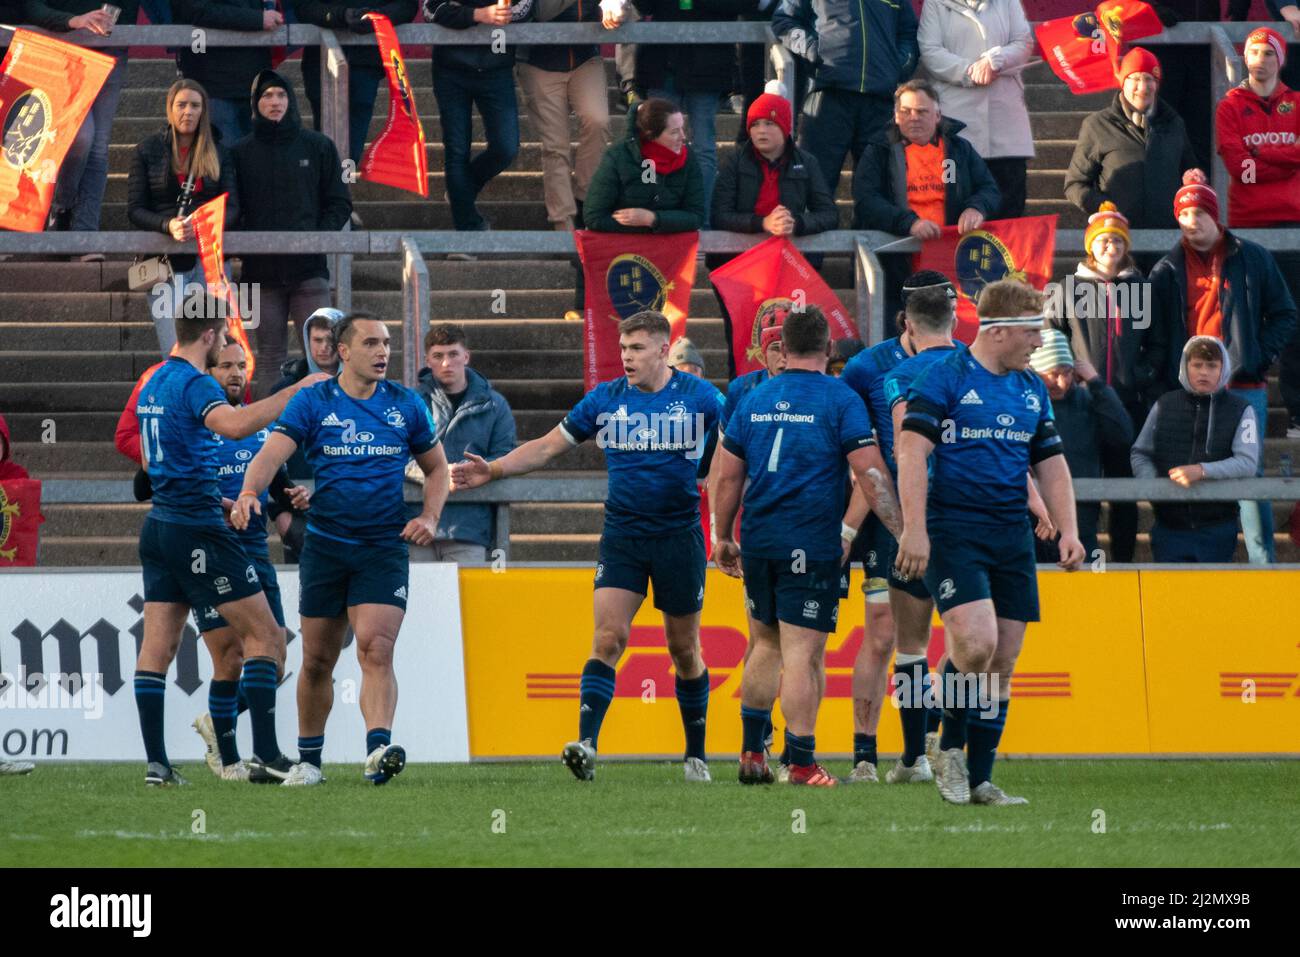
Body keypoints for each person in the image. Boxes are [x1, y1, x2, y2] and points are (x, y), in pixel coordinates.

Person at [450, 311, 725, 783]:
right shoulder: (605, 400)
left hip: (679, 537)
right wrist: (492, 470)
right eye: (622, 349)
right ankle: (587, 744)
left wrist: (724, 525)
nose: (626, 358)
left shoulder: (703, 398)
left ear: (663, 349)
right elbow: (546, 447)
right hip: (622, 535)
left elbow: (735, 452)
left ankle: (695, 754)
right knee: (607, 638)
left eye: (637, 349)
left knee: (683, 649)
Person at [233, 313, 449, 787]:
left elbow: (438, 469)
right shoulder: (313, 401)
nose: (382, 352)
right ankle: (310, 761)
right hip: (326, 547)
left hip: (382, 548)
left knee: (376, 648)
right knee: (316, 661)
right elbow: (271, 453)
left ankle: (377, 750)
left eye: (387, 343)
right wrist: (251, 491)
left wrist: (429, 517)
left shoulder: (406, 405)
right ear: (342, 351)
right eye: (371, 343)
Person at [895, 279, 1085, 806]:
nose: (1038, 341)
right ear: (998, 331)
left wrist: (1068, 529)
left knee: (1003, 659)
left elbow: (1051, 464)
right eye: (1032, 331)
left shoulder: (1030, 388)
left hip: (1011, 535)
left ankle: (980, 779)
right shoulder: (943, 378)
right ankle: (947, 749)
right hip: (954, 529)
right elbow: (910, 454)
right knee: (975, 644)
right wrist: (914, 529)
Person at [133, 296, 329, 787]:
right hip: (198, 531)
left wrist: (212, 498)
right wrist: (298, 389)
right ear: (209, 335)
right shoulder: (195, 383)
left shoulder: (155, 378)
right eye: (223, 335)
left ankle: (158, 766)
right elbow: (238, 424)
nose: (225, 342)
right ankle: (265, 754)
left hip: (160, 526)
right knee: (269, 637)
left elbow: (155, 462)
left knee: (158, 647)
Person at [711, 305, 880, 787]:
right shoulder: (841, 398)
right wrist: (850, 532)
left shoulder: (755, 396)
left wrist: (724, 536)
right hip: (813, 540)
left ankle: (751, 752)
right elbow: (867, 474)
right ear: (829, 349)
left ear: (782, 350)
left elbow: (726, 476)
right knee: (804, 654)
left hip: (759, 538)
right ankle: (801, 763)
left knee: (764, 644)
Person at [840, 273, 956, 784]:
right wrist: (849, 528)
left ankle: (934, 738)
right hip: (885, 516)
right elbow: (852, 451)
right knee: (885, 634)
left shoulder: (964, 361)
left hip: (949, 513)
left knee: (963, 636)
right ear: (904, 318)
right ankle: (866, 751)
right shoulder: (867, 367)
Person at [1148, 169, 1297, 563]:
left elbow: (1285, 314)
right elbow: (1157, 333)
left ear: (1216, 215)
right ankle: (1203, 561)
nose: (1191, 222)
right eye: (1183, 215)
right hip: (1188, 392)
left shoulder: (1253, 258)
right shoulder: (1166, 269)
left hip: (1243, 388)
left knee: (1247, 476)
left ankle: (1263, 565)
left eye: (1199, 213)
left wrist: (1255, 359)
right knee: (1190, 472)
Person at [189, 340, 311, 781]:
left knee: (274, 652)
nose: (236, 373)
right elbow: (149, 484)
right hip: (211, 550)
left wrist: (293, 495)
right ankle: (232, 758)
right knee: (229, 657)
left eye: (242, 366)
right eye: (226, 366)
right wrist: (217, 502)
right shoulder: (196, 422)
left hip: (255, 548)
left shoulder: (261, 425)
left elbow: (275, 483)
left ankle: (219, 727)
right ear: (208, 370)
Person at [230, 70, 353, 396]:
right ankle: (271, 430)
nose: (275, 102)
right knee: (269, 356)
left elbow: (339, 203)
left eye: (281, 95)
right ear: (256, 104)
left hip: (309, 271)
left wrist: (316, 239)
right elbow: (231, 208)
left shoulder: (318, 146)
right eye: (267, 96)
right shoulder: (239, 152)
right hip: (259, 274)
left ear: (291, 100)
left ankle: (327, 427)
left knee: (324, 356)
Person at [1045, 202, 1155, 563]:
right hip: (1081, 406)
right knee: (1082, 484)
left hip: (1127, 405)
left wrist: (1142, 377)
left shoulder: (1142, 287)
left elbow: (1160, 342)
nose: (1112, 247)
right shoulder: (1065, 288)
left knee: (1124, 489)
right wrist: (1069, 375)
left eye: (1119, 241)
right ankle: (1083, 554)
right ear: (1090, 245)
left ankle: (1122, 561)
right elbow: (1049, 338)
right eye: (1104, 240)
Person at [710, 89, 838, 376]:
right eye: (754, 124)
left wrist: (798, 224)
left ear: (784, 127)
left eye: (768, 123)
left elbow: (830, 213)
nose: (760, 131)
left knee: (791, 341)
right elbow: (719, 215)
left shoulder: (807, 162)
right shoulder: (733, 162)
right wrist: (762, 223)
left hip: (788, 268)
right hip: (740, 269)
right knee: (743, 343)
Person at [852, 79, 1000, 323]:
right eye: (906, 111)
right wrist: (908, 223)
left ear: (938, 115)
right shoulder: (878, 150)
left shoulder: (960, 149)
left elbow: (989, 189)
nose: (914, 118)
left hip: (950, 260)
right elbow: (866, 200)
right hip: (896, 263)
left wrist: (977, 207)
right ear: (896, 116)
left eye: (922, 111)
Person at [1215, 26, 1300, 438]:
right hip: (1248, 226)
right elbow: (1237, 166)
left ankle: (1298, 413)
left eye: (1269, 53)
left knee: (1295, 320)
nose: (1261, 59)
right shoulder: (1230, 105)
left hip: (1294, 225)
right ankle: (1245, 411)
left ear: (1280, 60)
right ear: (1244, 58)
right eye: (1254, 52)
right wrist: (1283, 162)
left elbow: (1252, 161)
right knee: (1248, 322)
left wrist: (1260, 153)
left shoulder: (1298, 103)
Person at [128, 79, 240, 358]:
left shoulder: (219, 151)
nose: (187, 111)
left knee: (214, 348)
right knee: (175, 350)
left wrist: (205, 226)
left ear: (204, 111)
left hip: (209, 259)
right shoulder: (148, 150)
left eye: (195, 105)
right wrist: (167, 225)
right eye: (181, 105)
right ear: (170, 109)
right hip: (164, 263)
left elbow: (235, 207)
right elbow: (135, 209)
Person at [1131, 336, 1260, 563]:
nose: (1204, 372)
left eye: (1212, 366)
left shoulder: (1241, 409)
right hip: (1168, 526)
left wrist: (1202, 470)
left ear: (1223, 368)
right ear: (1185, 366)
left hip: (1217, 527)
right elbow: (1140, 453)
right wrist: (1153, 484)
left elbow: (1247, 463)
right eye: (1197, 365)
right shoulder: (1164, 405)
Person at [773, 0, 919, 199]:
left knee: (878, 191)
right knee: (815, 187)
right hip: (828, 96)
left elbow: (908, 33)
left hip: (879, 101)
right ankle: (813, 231)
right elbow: (784, 20)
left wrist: (897, 67)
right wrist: (810, 49)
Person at [578, 98, 705, 319]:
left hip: (667, 262)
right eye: (674, 132)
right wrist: (636, 228)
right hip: (621, 263)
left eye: (682, 130)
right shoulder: (618, 157)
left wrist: (653, 219)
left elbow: (696, 215)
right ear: (651, 134)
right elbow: (593, 215)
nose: (683, 138)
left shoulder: (688, 160)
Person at [25, 0, 134, 257]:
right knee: (80, 137)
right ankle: (62, 207)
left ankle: (86, 232)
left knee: (98, 148)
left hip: (111, 52)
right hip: (62, 53)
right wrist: (72, 20)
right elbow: (32, 8)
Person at [407, 323, 516, 563]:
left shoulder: (495, 405)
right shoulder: (410, 403)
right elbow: (395, 455)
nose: (446, 363)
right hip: (416, 524)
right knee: (418, 601)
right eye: (438, 356)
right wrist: (436, 473)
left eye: (453, 354)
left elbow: (506, 456)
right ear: (427, 360)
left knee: (467, 601)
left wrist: (478, 469)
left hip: (469, 527)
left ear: (466, 356)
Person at [917, 0, 1035, 219]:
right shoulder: (935, 3)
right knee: (955, 208)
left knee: (1008, 208)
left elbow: (1023, 42)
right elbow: (930, 50)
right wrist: (969, 71)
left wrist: (994, 61)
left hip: (1005, 125)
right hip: (957, 123)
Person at [424, 0, 530, 238]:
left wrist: (463, 9)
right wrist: (478, 13)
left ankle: (461, 190)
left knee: (506, 147)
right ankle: (467, 228)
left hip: (497, 68)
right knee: (457, 150)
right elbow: (431, 10)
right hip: (450, 69)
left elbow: (523, 8)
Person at [1064, 48, 1199, 233]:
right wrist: (1105, 209)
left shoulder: (1174, 123)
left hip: (1168, 237)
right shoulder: (1097, 125)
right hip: (1117, 240)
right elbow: (1075, 184)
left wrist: (1195, 179)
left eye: (1149, 79)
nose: (1143, 87)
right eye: (1135, 79)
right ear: (1122, 82)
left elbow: (1189, 171)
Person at [1029, 329, 1134, 562]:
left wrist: (1097, 384)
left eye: (1067, 372)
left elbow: (1122, 435)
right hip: (1034, 521)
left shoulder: (1088, 400)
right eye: (1053, 374)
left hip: (1082, 517)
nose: (1062, 382)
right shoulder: (1023, 403)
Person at [517, 0, 617, 232]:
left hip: (585, 58)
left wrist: (618, 4)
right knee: (555, 146)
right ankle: (562, 222)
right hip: (539, 61)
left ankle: (586, 201)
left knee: (598, 121)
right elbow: (540, 12)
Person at [293, 1, 418, 172]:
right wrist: (342, 15)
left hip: (366, 65)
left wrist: (376, 17)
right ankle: (329, 191)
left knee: (352, 147)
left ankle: (343, 188)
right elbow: (304, 7)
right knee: (324, 141)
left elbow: (407, 6)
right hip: (321, 63)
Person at [172, 0, 280, 148]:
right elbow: (196, 10)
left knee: (257, 160)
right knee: (223, 159)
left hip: (255, 80)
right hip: (214, 84)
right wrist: (257, 19)